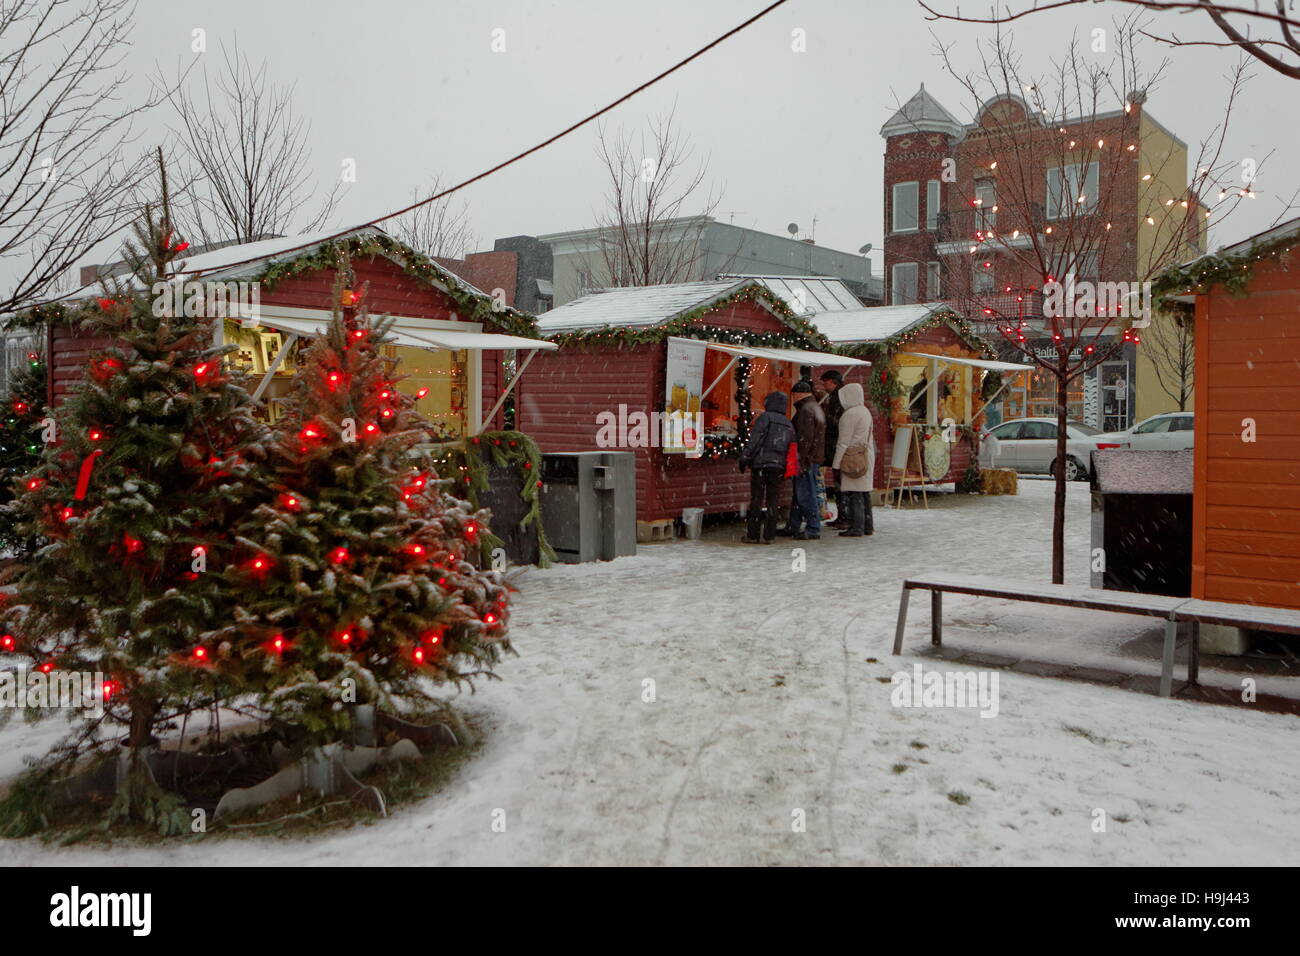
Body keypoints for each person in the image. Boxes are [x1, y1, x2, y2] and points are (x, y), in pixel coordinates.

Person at [738, 391, 796, 544]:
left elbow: (755, 440)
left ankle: (753, 534)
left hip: (761, 464)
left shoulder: (765, 418)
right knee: (773, 500)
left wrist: (745, 457)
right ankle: (769, 535)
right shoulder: (788, 423)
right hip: (778, 466)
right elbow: (792, 447)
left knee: (757, 499)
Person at [777, 380, 825, 540]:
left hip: (805, 460)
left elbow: (805, 438)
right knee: (800, 494)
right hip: (812, 458)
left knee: (805, 493)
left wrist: (802, 460)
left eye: (794, 395)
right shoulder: (814, 407)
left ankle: (813, 527)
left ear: (798, 394)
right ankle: (793, 524)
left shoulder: (805, 410)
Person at [831, 381, 876, 536]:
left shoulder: (849, 415)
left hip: (852, 457)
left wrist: (836, 464)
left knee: (854, 492)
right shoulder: (865, 411)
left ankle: (857, 526)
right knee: (864, 492)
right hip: (865, 454)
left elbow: (843, 442)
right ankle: (867, 525)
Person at [819, 370, 845, 527]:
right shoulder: (839, 397)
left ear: (833, 382)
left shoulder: (837, 399)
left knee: (840, 484)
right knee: (840, 484)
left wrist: (825, 421)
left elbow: (834, 424)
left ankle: (843, 517)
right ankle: (843, 516)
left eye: (825, 382)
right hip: (835, 445)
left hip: (835, 446)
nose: (824, 386)